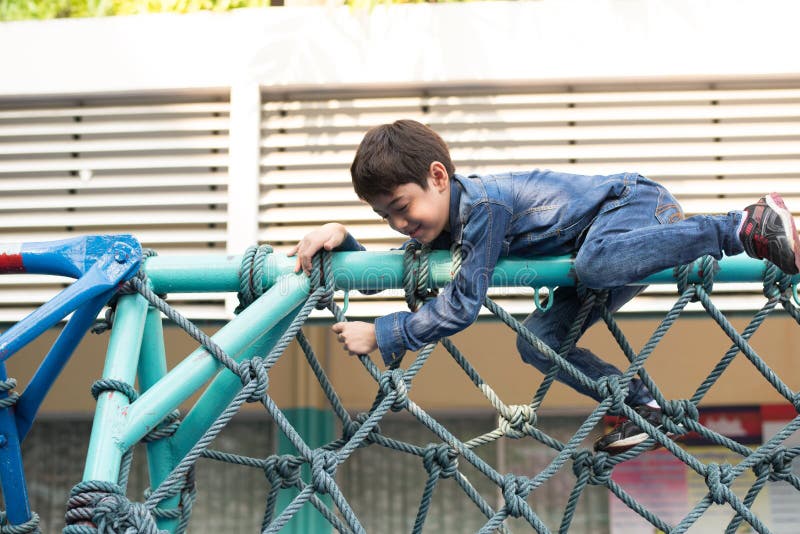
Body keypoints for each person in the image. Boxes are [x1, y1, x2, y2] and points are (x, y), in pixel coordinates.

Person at [288, 119, 800, 453]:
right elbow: (394, 275)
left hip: (633, 209)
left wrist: (386, 334)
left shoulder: (483, 208)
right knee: (536, 343)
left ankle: (743, 225)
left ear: (439, 177)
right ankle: (641, 407)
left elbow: (463, 306)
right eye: (384, 217)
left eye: (401, 208)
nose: (398, 224)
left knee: (594, 264)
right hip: (602, 250)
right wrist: (344, 242)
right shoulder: (442, 229)